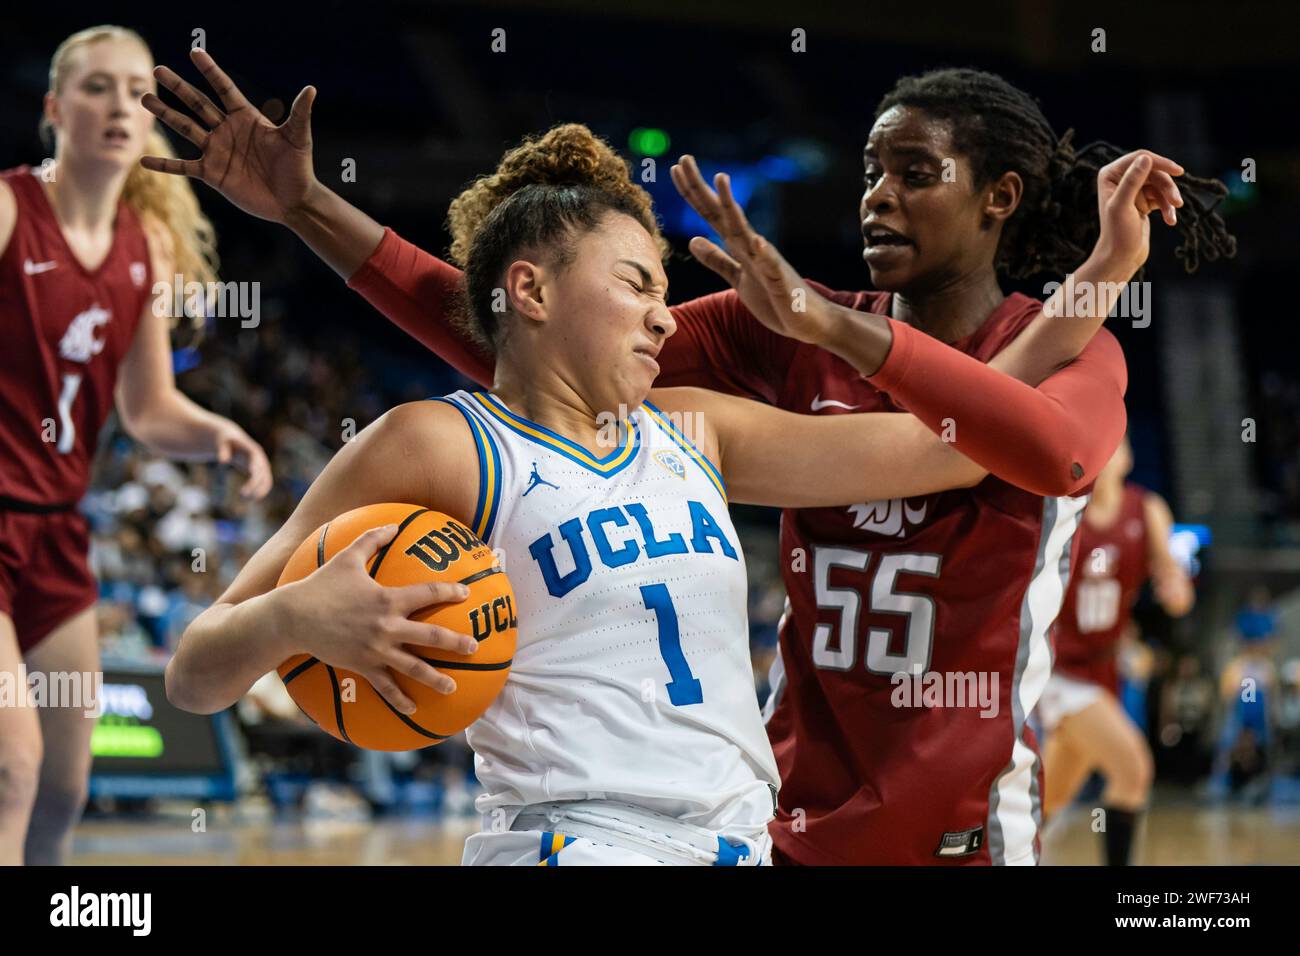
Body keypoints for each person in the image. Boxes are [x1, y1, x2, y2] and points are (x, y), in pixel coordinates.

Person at [142, 52, 1228, 863]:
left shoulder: (1036, 358)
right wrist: (309, 210)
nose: (875, 195)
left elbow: (1015, 449)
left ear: (998, 197)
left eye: (913, 171)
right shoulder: (736, 351)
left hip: (935, 818)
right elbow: (516, 336)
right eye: (867, 170)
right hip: (745, 816)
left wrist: (1090, 279)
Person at [0, 25, 271, 866]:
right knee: (11, 768)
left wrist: (217, 431)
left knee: (63, 787)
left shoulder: (142, 251)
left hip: (55, 534)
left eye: (133, 89)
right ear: (53, 109)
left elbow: (149, 406)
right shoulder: (10, 208)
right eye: (94, 87)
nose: (119, 104)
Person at [1039, 436, 1194, 864]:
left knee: (1049, 798)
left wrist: (1175, 588)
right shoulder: (1064, 507)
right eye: (1101, 441)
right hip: (1059, 667)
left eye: (1118, 444)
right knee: (1133, 768)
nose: (1109, 450)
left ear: (1127, 456)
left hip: (1104, 670)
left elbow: (1175, 587)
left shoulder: (1148, 509)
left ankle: (1000, 853)